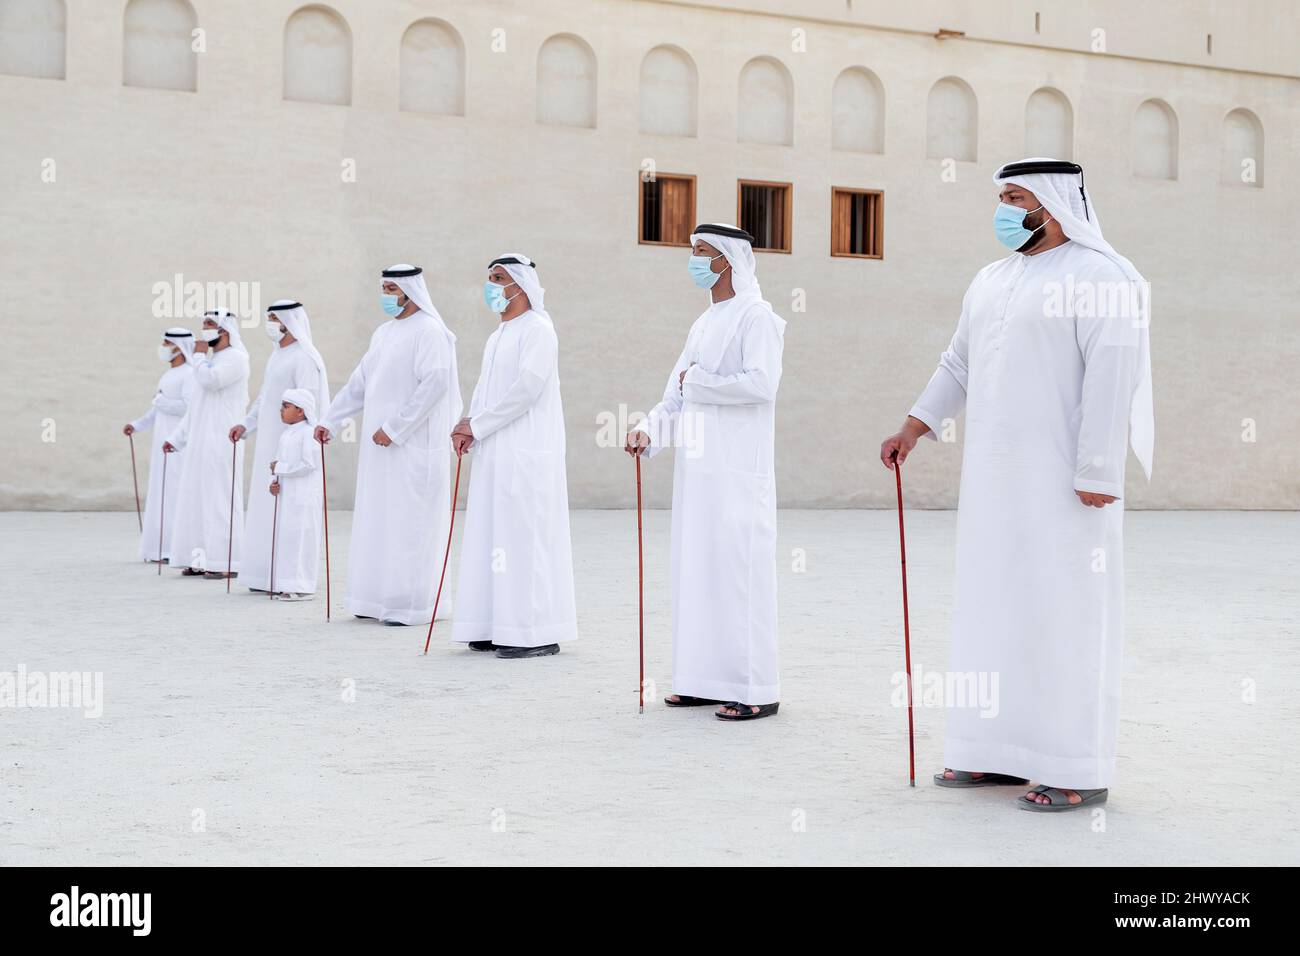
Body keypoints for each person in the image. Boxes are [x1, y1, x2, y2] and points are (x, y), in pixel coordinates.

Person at [879, 158, 1153, 812]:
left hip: (1066, 488)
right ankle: (991, 754)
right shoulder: (991, 279)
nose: (1005, 208)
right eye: (1001, 196)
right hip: (994, 486)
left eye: (1017, 196)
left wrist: (1097, 471)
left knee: (1063, 616)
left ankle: (1075, 768)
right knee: (992, 608)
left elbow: (1113, 375)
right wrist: (915, 426)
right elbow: (959, 363)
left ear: (1056, 203)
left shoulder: (1103, 277)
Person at [624, 224, 786, 720]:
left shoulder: (759, 317)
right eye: (692, 251)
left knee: (740, 573)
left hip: (738, 472)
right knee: (698, 570)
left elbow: (762, 384)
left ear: (730, 260)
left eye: (703, 252)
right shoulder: (703, 323)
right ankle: (701, 680)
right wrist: (650, 428)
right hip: (698, 474)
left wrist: (699, 383)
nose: (694, 260)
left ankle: (756, 689)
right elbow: (676, 392)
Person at [315, 265, 462, 625]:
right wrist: (330, 419)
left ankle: (409, 604)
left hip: (413, 450)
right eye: (382, 287)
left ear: (410, 292)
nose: (385, 294)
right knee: (377, 520)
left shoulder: (430, 331)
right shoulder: (383, 333)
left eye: (392, 287)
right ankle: (372, 599)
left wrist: (395, 428)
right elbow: (359, 384)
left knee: (409, 524)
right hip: (379, 453)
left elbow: (435, 383)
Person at [450, 254, 577, 659]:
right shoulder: (499, 334)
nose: (491, 286)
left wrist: (479, 424)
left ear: (520, 285)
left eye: (499, 278)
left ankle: (535, 632)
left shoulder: (538, 330)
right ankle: (493, 624)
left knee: (524, 540)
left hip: (526, 453)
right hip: (495, 453)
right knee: (492, 538)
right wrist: (467, 423)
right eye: (489, 278)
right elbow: (486, 389)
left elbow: (527, 389)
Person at [231, 300, 329, 593]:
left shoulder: (305, 357)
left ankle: (291, 580)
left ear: (289, 321)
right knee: (265, 506)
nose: (270, 323)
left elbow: (308, 403)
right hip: (271, 442)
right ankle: (264, 575)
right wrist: (246, 424)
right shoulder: (278, 355)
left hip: (295, 444)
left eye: (275, 317)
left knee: (291, 514)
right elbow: (265, 398)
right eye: (268, 317)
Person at [163, 309, 251, 578]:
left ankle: (226, 563)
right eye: (203, 324)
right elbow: (195, 409)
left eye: (210, 324)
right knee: (196, 498)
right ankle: (199, 558)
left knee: (219, 499)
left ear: (225, 330)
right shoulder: (209, 361)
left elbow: (211, 382)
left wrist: (199, 356)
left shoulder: (236, 358)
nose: (205, 330)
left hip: (222, 439)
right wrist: (176, 438)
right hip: (200, 441)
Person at [123, 328, 195, 564]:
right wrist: (136, 425)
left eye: (167, 343)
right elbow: (156, 411)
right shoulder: (167, 376)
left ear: (179, 347)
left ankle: (175, 548)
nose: (163, 347)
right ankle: (159, 547)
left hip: (178, 446)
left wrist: (161, 402)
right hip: (160, 446)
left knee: (175, 493)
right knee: (161, 493)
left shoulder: (189, 374)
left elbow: (189, 408)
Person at [266, 388, 323, 601]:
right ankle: (286, 584)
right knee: (288, 540)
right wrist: (274, 483)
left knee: (301, 540)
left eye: (286, 406)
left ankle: (302, 586)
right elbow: (280, 464)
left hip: (304, 498)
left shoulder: (309, 433)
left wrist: (280, 468)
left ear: (300, 411)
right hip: (287, 498)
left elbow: (309, 464)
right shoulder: (287, 434)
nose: (281, 410)